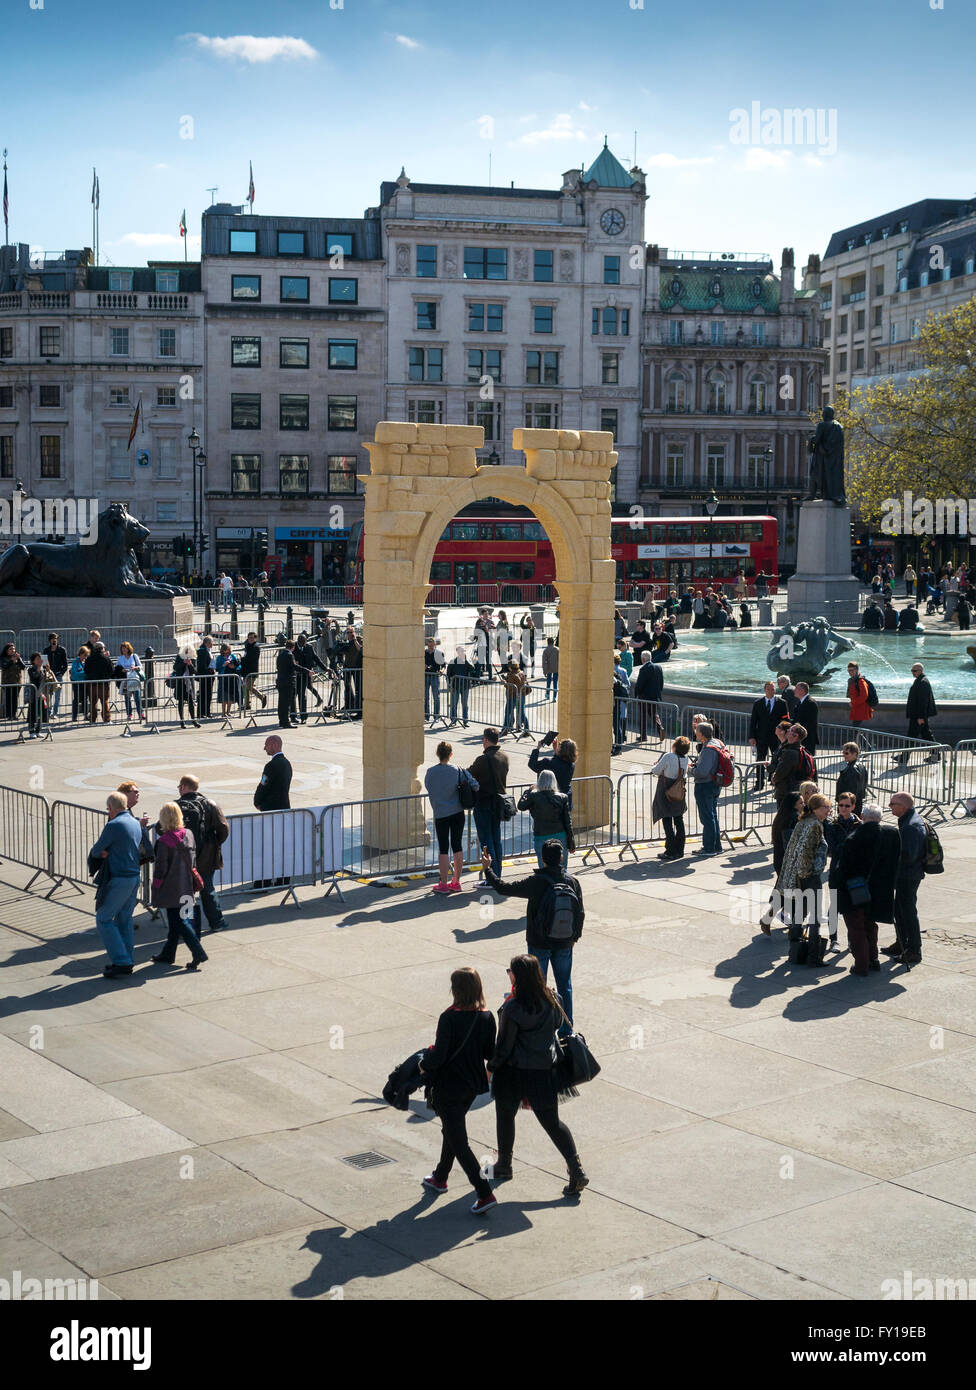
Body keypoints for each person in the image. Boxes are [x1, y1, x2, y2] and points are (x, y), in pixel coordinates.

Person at [487, 953, 588, 1197]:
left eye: (510, 971)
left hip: (515, 1071)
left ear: (518, 976)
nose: (508, 974)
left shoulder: (513, 1007)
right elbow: (555, 1026)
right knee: (552, 1122)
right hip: (544, 1069)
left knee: (505, 1114)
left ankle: (504, 1165)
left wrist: (491, 1066)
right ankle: (576, 1169)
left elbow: (505, 1045)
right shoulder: (553, 999)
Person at [482, 840, 583, 1033]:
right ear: (561, 858)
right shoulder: (572, 881)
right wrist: (573, 938)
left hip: (540, 942)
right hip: (564, 942)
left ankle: (541, 1029)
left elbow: (504, 888)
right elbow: (580, 913)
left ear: (543, 859)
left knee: (537, 986)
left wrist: (488, 869)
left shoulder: (537, 882)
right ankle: (566, 1030)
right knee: (565, 986)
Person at [419, 968, 497, 1214]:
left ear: (457, 990)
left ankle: (484, 1193)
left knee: (459, 1140)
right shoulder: (486, 1016)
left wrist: (422, 1064)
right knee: (451, 1130)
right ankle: (440, 1177)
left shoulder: (449, 1017)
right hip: (471, 1086)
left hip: (448, 1086)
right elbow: (489, 1054)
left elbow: (439, 1055)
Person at [830, 804, 901, 977]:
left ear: (862, 816)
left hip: (855, 891)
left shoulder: (854, 838)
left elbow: (844, 868)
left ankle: (862, 965)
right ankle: (873, 959)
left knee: (856, 928)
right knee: (870, 925)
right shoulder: (892, 834)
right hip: (879, 891)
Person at [89, 790, 144, 978]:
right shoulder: (134, 823)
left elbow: (97, 850)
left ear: (111, 808)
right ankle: (127, 959)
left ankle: (121, 961)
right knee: (125, 918)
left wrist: (104, 852)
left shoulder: (114, 825)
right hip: (134, 876)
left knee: (104, 918)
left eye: (107, 809)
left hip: (120, 878)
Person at [149, 802, 209, 971]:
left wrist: (156, 888)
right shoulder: (188, 834)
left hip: (170, 888)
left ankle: (198, 952)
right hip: (186, 885)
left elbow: (160, 870)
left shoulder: (164, 842)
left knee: (180, 922)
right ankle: (168, 954)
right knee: (179, 922)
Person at [777, 793, 832, 962]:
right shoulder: (815, 824)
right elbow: (806, 852)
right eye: (826, 807)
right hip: (808, 875)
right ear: (815, 808)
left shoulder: (804, 821)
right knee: (815, 915)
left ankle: (794, 951)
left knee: (799, 913)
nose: (829, 810)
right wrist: (809, 873)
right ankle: (814, 956)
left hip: (798, 874)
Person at [176, 774, 230, 933]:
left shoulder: (175, 806)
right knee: (207, 889)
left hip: (183, 856)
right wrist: (213, 844)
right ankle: (217, 922)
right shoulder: (209, 804)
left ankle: (185, 928)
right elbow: (223, 829)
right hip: (206, 856)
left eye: (180, 786)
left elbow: (161, 827)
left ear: (184, 787)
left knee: (184, 892)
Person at [425, 741, 478, 893]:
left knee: (443, 848)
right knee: (457, 845)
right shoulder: (458, 770)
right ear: (450, 754)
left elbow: (429, 787)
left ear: (437, 754)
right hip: (457, 812)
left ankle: (443, 883)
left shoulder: (430, 772)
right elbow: (475, 785)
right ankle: (456, 881)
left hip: (440, 813)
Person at [885, 791, 927, 966]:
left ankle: (914, 950)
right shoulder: (910, 820)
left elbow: (908, 855)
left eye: (892, 803)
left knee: (908, 911)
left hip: (908, 875)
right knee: (900, 910)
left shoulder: (910, 826)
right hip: (908, 874)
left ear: (903, 806)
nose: (889, 806)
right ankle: (901, 943)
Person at [469, 728, 508, 879]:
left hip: (483, 804)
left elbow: (469, 774)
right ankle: (497, 874)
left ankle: (492, 876)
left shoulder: (483, 759)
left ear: (485, 740)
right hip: (498, 804)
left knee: (486, 841)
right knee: (496, 840)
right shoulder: (504, 757)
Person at [518, 768, 575, 867]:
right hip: (560, 835)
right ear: (554, 781)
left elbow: (521, 806)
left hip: (541, 836)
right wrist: (571, 841)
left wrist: (528, 791)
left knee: (544, 869)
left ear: (539, 782)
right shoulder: (562, 797)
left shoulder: (534, 797)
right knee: (562, 868)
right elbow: (567, 821)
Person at [649, 735, 691, 861]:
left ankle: (670, 850)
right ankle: (680, 849)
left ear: (675, 746)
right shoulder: (686, 759)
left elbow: (655, 771)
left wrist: (656, 765)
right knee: (679, 820)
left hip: (666, 791)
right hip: (679, 793)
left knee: (667, 819)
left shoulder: (668, 756)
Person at [690, 720, 724, 856]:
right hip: (714, 784)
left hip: (706, 785)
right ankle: (716, 846)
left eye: (697, 731)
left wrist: (690, 770)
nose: (695, 733)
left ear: (702, 734)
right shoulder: (717, 743)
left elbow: (702, 771)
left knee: (707, 817)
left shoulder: (709, 748)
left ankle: (709, 848)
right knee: (712, 815)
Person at [749, 681, 788, 791]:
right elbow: (753, 721)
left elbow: (786, 719)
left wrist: (784, 735)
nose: (770, 691)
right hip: (761, 737)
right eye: (768, 689)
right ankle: (759, 782)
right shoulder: (758, 703)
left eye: (772, 689)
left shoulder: (781, 702)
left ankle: (774, 779)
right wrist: (751, 736)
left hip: (776, 737)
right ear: (764, 690)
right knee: (760, 759)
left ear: (775, 690)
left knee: (777, 759)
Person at [898, 662, 939, 765]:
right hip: (917, 715)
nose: (912, 672)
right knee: (925, 735)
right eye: (912, 670)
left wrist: (921, 717)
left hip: (918, 716)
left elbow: (923, 702)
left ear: (921, 671)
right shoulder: (920, 680)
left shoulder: (923, 682)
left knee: (912, 737)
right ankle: (936, 754)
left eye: (914, 671)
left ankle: (904, 758)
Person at [528, 735, 576, 808]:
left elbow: (532, 765)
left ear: (561, 750)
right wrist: (555, 749)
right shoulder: (571, 764)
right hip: (566, 800)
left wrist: (537, 748)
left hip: (552, 802)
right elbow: (561, 761)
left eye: (560, 746)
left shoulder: (548, 762)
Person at [254, 734, 293, 810]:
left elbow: (263, 785)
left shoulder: (271, 766)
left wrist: (257, 802)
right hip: (285, 806)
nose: (264, 748)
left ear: (274, 745)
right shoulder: (287, 763)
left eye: (266, 745)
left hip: (271, 808)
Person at [294, 632, 326, 723]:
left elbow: (316, 658)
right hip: (296, 676)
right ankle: (292, 715)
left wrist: (325, 668)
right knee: (294, 695)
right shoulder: (294, 648)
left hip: (306, 675)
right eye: (300, 642)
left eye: (303, 642)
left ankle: (303, 716)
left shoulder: (309, 647)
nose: (301, 643)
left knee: (302, 695)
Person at [634, 649, 664, 741]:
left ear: (643, 659)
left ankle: (643, 736)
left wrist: (636, 694)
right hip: (655, 696)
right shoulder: (658, 667)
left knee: (643, 716)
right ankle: (660, 730)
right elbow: (661, 683)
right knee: (654, 714)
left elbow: (640, 684)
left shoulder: (644, 669)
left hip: (644, 697)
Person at [169, 646, 200, 728]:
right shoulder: (179, 657)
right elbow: (175, 667)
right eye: (186, 651)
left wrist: (190, 664)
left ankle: (194, 720)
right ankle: (182, 721)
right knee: (181, 702)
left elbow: (194, 671)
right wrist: (183, 662)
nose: (188, 652)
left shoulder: (192, 658)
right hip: (180, 682)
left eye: (189, 651)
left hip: (188, 683)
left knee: (191, 702)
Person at [84, 641, 114, 724]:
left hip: (92, 683)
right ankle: (106, 719)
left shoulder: (89, 658)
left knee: (93, 702)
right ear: (102, 648)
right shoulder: (106, 658)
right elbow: (111, 670)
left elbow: (86, 670)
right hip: (104, 683)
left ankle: (92, 719)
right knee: (104, 702)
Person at [337, 625, 362, 717]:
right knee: (347, 687)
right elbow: (340, 652)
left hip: (356, 667)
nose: (350, 634)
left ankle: (358, 707)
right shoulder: (346, 642)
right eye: (348, 632)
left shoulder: (358, 639)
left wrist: (354, 640)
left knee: (358, 688)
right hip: (347, 666)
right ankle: (348, 705)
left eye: (351, 632)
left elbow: (360, 649)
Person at [116, 642, 144, 723]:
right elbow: (117, 668)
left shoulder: (134, 656)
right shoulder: (120, 658)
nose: (124, 649)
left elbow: (140, 666)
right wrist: (122, 670)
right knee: (127, 698)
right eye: (122, 648)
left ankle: (140, 713)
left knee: (137, 697)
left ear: (129, 648)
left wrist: (135, 667)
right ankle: (129, 714)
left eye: (125, 648)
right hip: (125, 679)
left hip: (134, 678)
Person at [446, 646, 474, 727]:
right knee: (454, 704)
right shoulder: (453, 662)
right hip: (455, 686)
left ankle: (465, 721)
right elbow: (448, 675)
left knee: (464, 704)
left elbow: (472, 669)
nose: (462, 652)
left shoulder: (466, 661)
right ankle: (453, 720)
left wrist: (466, 660)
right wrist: (449, 686)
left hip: (465, 686)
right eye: (461, 651)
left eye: (463, 651)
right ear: (457, 652)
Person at [501, 656, 529, 735]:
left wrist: (504, 683)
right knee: (522, 713)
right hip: (521, 695)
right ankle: (527, 729)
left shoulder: (511, 675)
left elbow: (510, 687)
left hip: (512, 696)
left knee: (508, 712)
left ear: (510, 667)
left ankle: (505, 729)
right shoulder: (521, 673)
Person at [239, 632, 267, 711]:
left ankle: (262, 696)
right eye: (249, 637)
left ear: (255, 638)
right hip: (246, 670)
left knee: (249, 686)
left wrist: (241, 660)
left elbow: (251, 658)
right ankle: (247, 704)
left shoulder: (256, 647)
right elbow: (246, 656)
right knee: (246, 687)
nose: (250, 639)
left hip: (252, 670)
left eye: (252, 637)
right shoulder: (247, 646)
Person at [42, 633, 68, 717]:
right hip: (49, 676)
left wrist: (61, 673)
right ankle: (48, 712)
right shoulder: (46, 650)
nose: (54, 640)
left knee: (57, 696)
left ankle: (55, 713)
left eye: (56, 638)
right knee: (48, 695)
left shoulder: (62, 650)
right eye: (53, 639)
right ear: (49, 640)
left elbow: (65, 664)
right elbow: (44, 663)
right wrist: (47, 671)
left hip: (58, 675)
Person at [276, 638, 298, 729]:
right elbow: (293, 667)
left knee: (281, 703)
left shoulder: (280, 655)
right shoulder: (290, 655)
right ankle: (286, 721)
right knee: (286, 703)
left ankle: (281, 720)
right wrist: (307, 670)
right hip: (288, 681)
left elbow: (278, 667)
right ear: (293, 647)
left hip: (280, 680)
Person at [215, 644, 241, 718]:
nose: (227, 652)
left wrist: (234, 666)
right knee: (224, 695)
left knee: (230, 695)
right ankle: (223, 712)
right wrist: (224, 665)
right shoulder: (219, 658)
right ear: (222, 650)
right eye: (225, 650)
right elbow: (217, 668)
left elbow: (238, 665)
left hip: (232, 678)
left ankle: (228, 712)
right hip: (223, 677)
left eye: (228, 650)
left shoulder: (232, 656)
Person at [793, 682, 819, 755]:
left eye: (796, 689)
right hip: (801, 737)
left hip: (807, 738)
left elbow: (810, 722)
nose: (794, 691)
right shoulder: (800, 702)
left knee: (809, 760)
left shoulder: (810, 703)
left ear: (802, 691)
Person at [611, 655, 630, 754]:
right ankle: (618, 745)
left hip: (614, 703)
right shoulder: (617, 673)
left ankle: (617, 747)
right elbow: (627, 684)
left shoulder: (611, 675)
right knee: (616, 725)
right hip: (618, 703)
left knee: (615, 725)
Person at [846, 662, 874, 727]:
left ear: (856, 670)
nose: (850, 672)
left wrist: (853, 703)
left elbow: (864, 696)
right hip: (856, 709)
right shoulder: (853, 680)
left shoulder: (861, 681)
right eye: (848, 670)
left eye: (852, 670)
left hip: (861, 710)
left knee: (855, 730)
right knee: (855, 730)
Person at [424, 638, 444, 723]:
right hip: (425, 676)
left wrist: (441, 671)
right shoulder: (424, 652)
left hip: (435, 676)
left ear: (435, 644)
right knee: (425, 697)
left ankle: (436, 716)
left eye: (432, 644)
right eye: (429, 644)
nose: (431, 646)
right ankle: (426, 716)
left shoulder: (439, 653)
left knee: (436, 697)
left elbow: (443, 666)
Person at [196, 636, 216, 719]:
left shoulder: (207, 650)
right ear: (206, 643)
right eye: (211, 643)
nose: (212, 644)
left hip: (208, 676)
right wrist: (209, 670)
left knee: (208, 695)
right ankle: (201, 713)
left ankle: (207, 712)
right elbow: (202, 665)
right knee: (203, 695)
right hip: (205, 676)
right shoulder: (202, 651)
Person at [70, 645, 90, 721]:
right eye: (84, 655)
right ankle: (74, 716)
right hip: (76, 683)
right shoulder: (75, 662)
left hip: (84, 683)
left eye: (86, 655)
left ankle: (85, 715)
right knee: (76, 699)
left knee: (85, 699)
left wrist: (84, 673)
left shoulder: (85, 662)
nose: (85, 657)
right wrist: (86, 674)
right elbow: (76, 673)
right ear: (80, 654)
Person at [541, 636, 559, 700]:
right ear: (553, 642)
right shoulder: (557, 649)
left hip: (548, 668)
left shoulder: (545, 650)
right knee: (555, 683)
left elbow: (544, 662)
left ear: (547, 642)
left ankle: (547, 694)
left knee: (548, 682)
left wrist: (544, 671)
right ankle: (554, 696)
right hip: (556, 668)